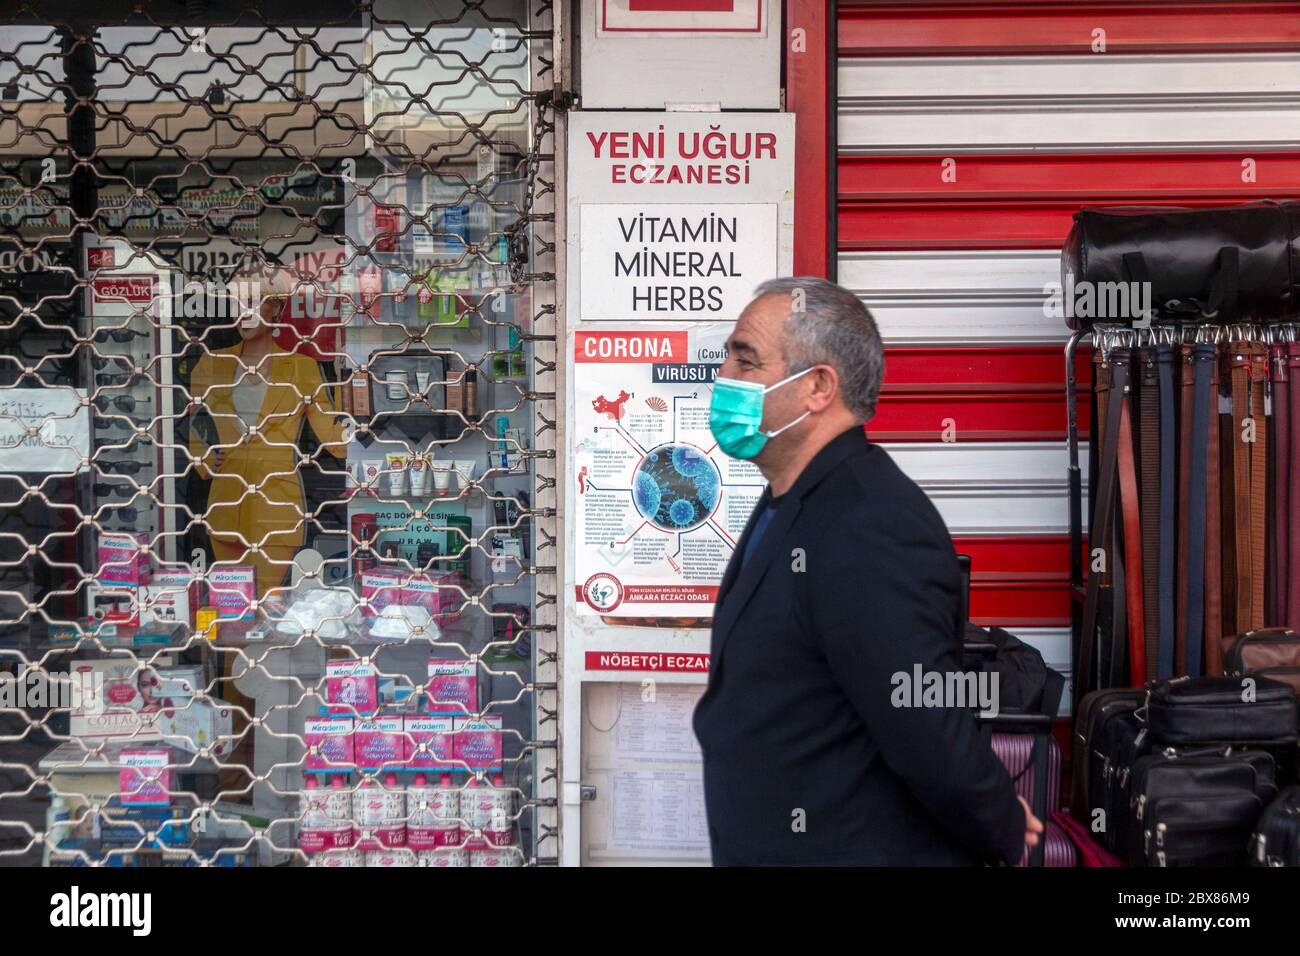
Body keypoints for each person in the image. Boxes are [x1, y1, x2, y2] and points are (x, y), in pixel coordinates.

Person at [692, 277, 1042, 866]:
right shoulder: (794, 497)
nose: (723, 374)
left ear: (817, 387)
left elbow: (925, 719)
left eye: (744, 359)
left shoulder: (869, 521)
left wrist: (1000, 822)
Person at [188, 269, 348, 598]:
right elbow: (188, 423)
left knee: (266, 605)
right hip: (225, 505)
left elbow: (334, 440)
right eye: (234, 303)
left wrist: (351, 384)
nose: (242, 312)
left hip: (277, 507)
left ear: (275, 309)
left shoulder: (301, 367)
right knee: (231, 605)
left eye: (252, 302)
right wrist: (203, 458)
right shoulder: (211, 363)